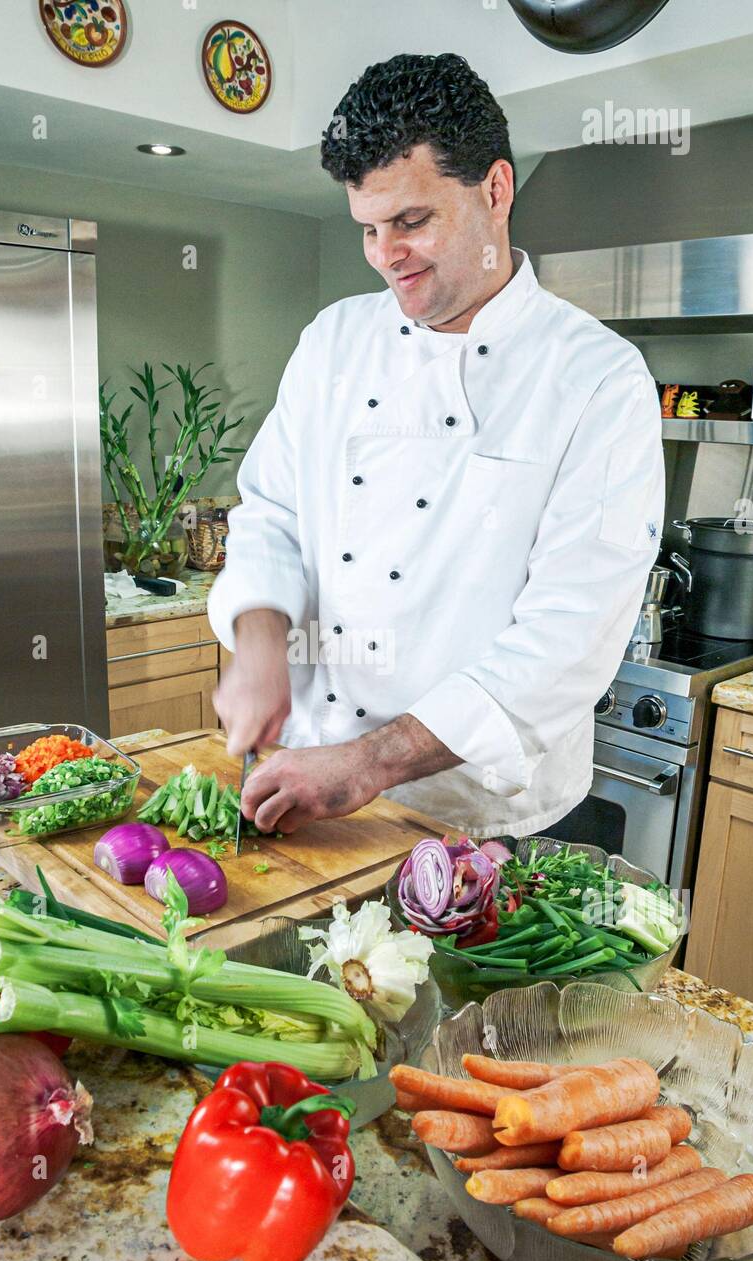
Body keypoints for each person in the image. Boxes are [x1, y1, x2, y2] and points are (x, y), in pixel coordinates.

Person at [208, 52, 664, 838]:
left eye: (412, 222)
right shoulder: (333, 341)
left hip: (486, 819)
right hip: (312, 789)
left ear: (495, 189)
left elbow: (566, 640)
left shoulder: (597, 379)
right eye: (369, 230)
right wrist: (258, 645)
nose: (387, 255)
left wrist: (373, 761)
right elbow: (270, 514)